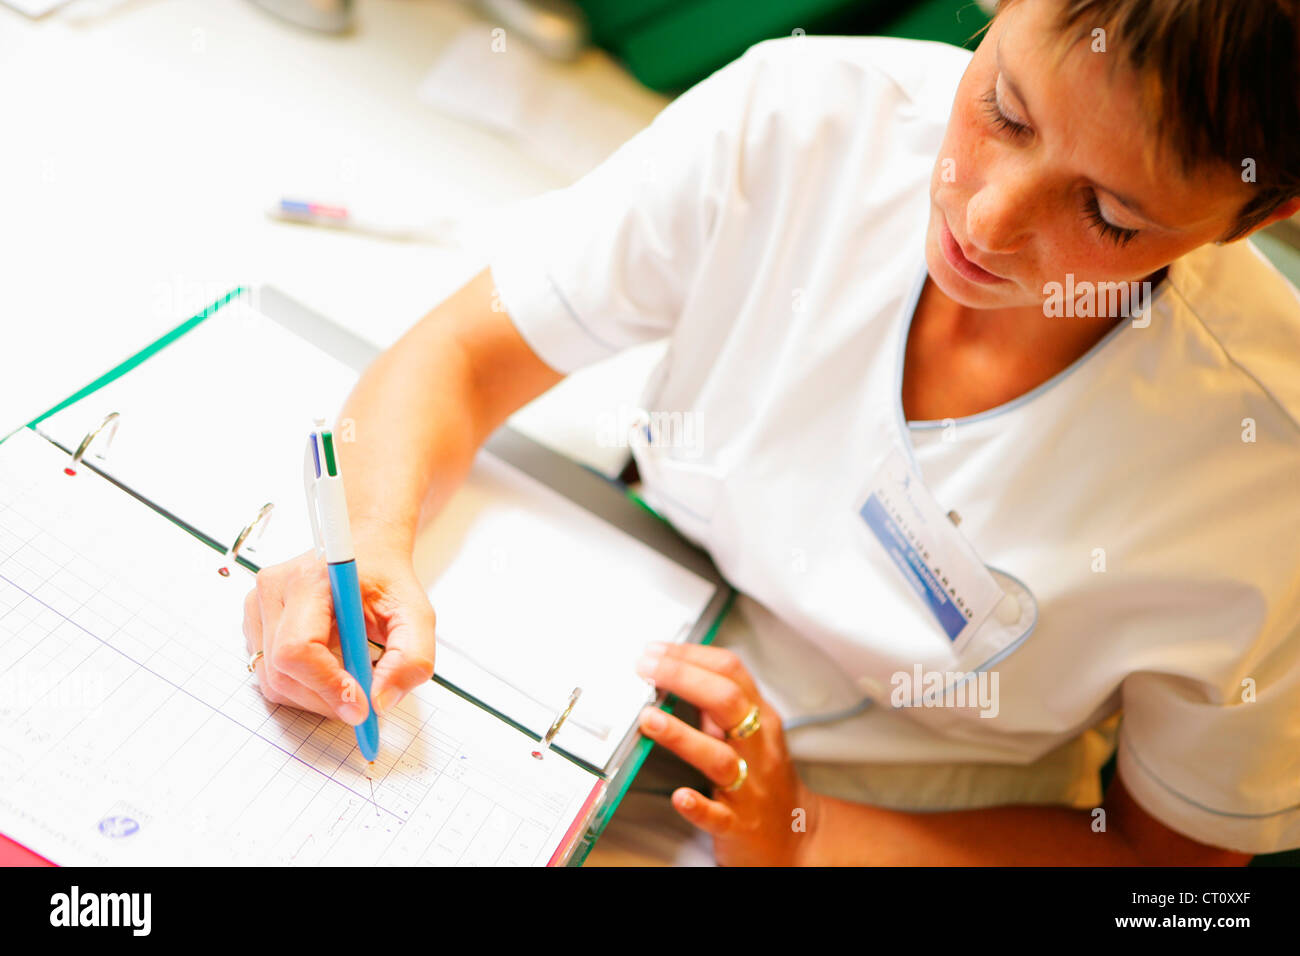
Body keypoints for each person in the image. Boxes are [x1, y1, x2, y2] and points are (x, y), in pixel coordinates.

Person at [242, 0, 1300, 864]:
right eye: (1005, 113)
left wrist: (810, 834)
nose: (982, 222)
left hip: (914, 816)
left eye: (1109, 215)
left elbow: (1178, 865)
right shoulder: (799, 119)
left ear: (1254, 217)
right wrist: (369, 540)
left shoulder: (1263, 474)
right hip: (602, 648)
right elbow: (463, 355)